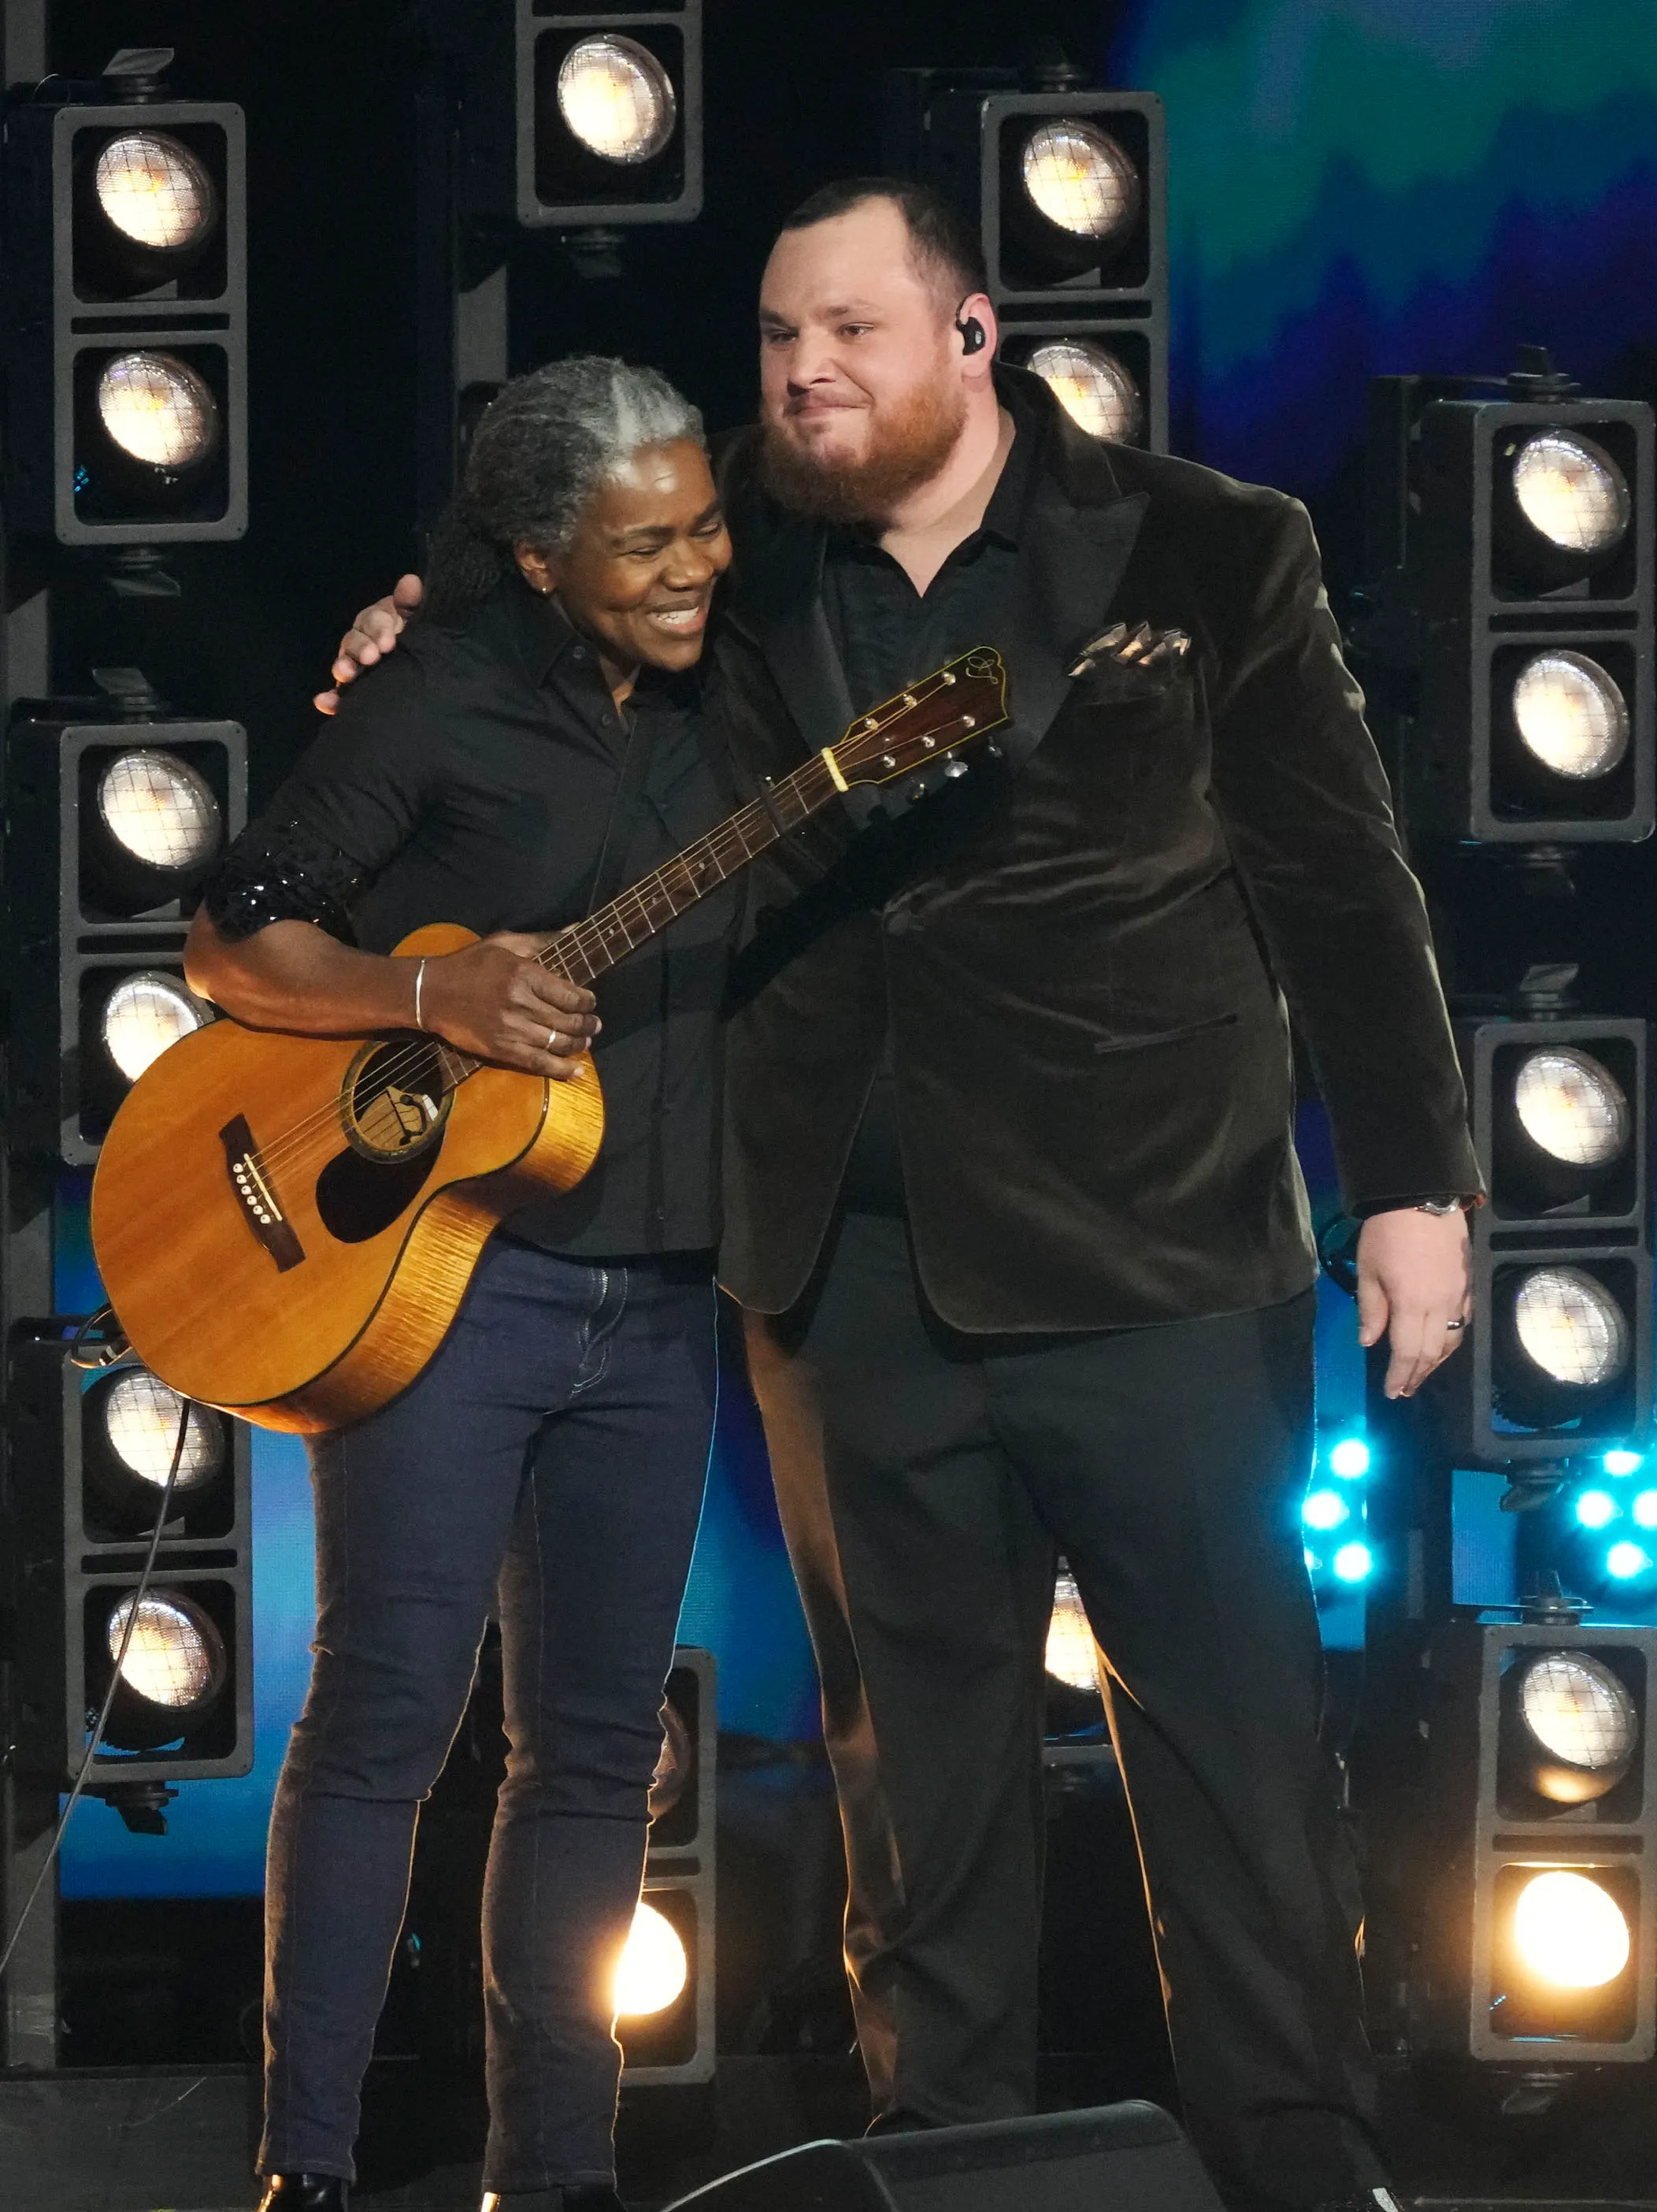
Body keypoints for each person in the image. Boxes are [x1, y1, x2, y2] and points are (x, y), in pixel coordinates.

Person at [322, 182, 1482, 2212]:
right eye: (778, 338)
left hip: (1154, 1259)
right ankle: (953, 2163)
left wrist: (1411, 1186)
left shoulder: (1210, 544)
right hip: (844, 1274)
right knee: (908, 1775)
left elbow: (1340, 884)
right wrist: (422, 620)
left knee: (1228, 1750)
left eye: (849, 330)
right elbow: (523, 584)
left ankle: (1298, 2166)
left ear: (972, 336)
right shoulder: (726, 563)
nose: (804, 371)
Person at [191, 356, 737, 2212]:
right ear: (532, 555)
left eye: (706, 523)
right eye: (643, 542)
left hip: (659, 1296)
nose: (691, 567)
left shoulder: (733, 694)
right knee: (382, 1725)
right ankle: (312, 2170)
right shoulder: (431, 697)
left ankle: (555, 2173)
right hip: (443, 1293)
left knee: (594, 1754)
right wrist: (426, 992)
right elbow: (233, 931)